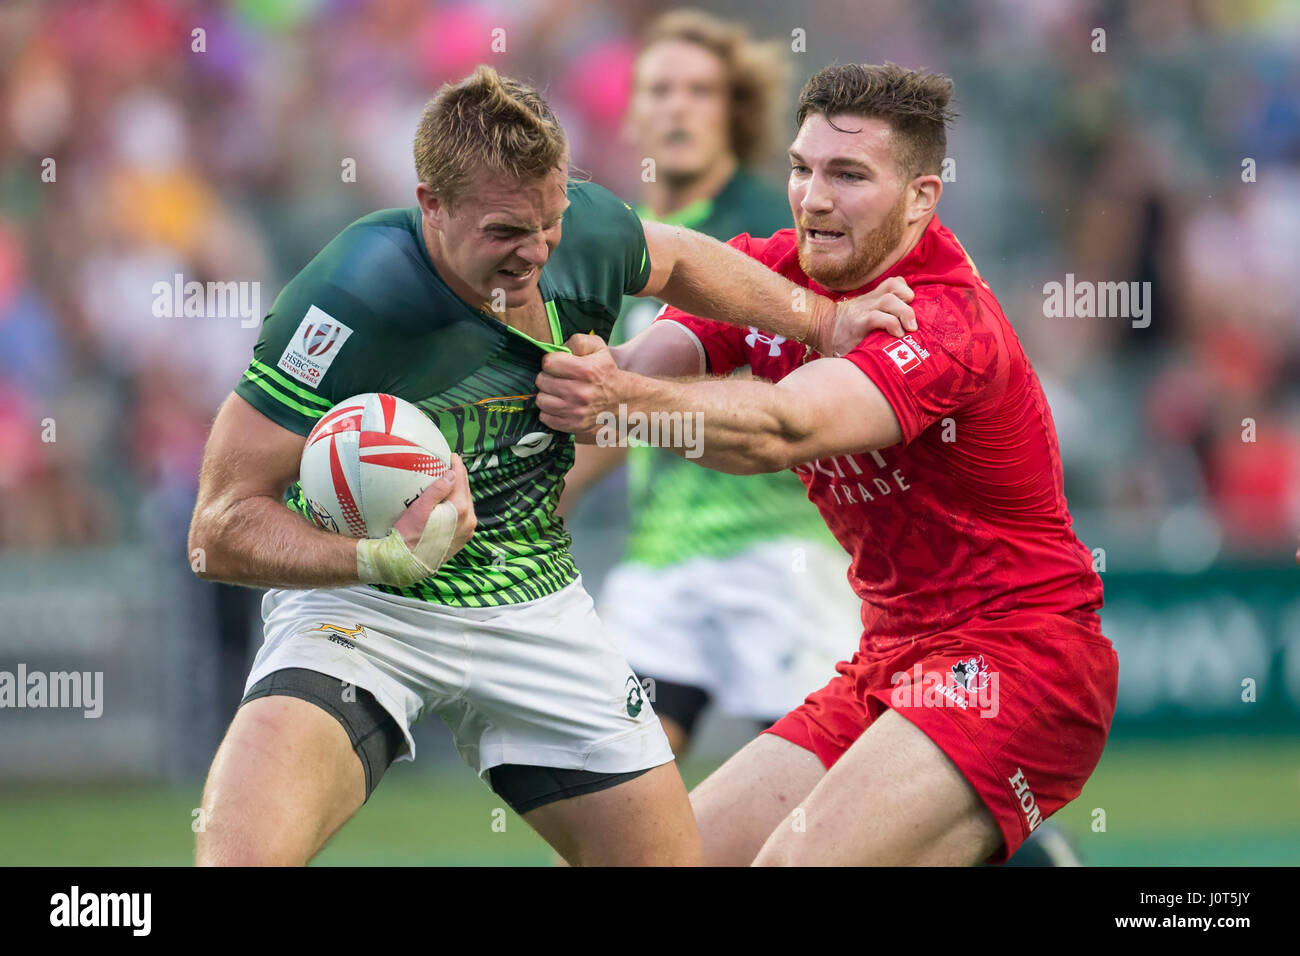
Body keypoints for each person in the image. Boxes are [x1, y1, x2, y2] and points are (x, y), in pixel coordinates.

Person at [187, 65, 913, 866]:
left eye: (550, 222)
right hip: (364, 609)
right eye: (505, 231)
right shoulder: (350, 297)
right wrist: (371, 558)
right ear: (431, 204)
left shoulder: (584, 233)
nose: (534, 253)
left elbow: (677, 260)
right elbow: (218, 529)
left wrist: (822, 319)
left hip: (533, 602)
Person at [536, 62, 1119, 866]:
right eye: (802, 168)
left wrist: (615, 396)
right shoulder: (775, 274)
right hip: (889, 659)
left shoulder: (948, 319)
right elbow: (644, 362)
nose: (814, 197)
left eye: (849, 175)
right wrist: (566, 382)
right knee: (670, 859)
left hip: (1019, 663)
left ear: (921, 197)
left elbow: (781, 429)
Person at [560, 9, 859, 757]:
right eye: (659, 90)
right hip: (662, 564)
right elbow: (604, 408)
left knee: (838, 809)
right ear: (629, 115)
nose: (678, 107)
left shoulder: (775, 227)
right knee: (610, 783)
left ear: (736, 113)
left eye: (700, 90)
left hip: (783, 558)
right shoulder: (617, 243)